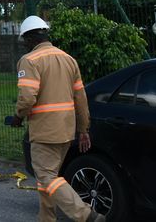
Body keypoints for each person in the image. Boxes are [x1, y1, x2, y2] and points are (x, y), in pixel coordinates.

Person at [11, 15, 104, 222]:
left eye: (25, 40)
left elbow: (27, 98)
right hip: (66, 131)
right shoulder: (68, 59)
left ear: (31, 38)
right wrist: (83, 130)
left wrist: (18, 117)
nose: (25, 45)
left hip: (44, 131)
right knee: (48, 178)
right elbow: (81, 99)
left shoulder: (29, 60)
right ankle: (47, 218)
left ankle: (86, 215)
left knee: (46, 177)